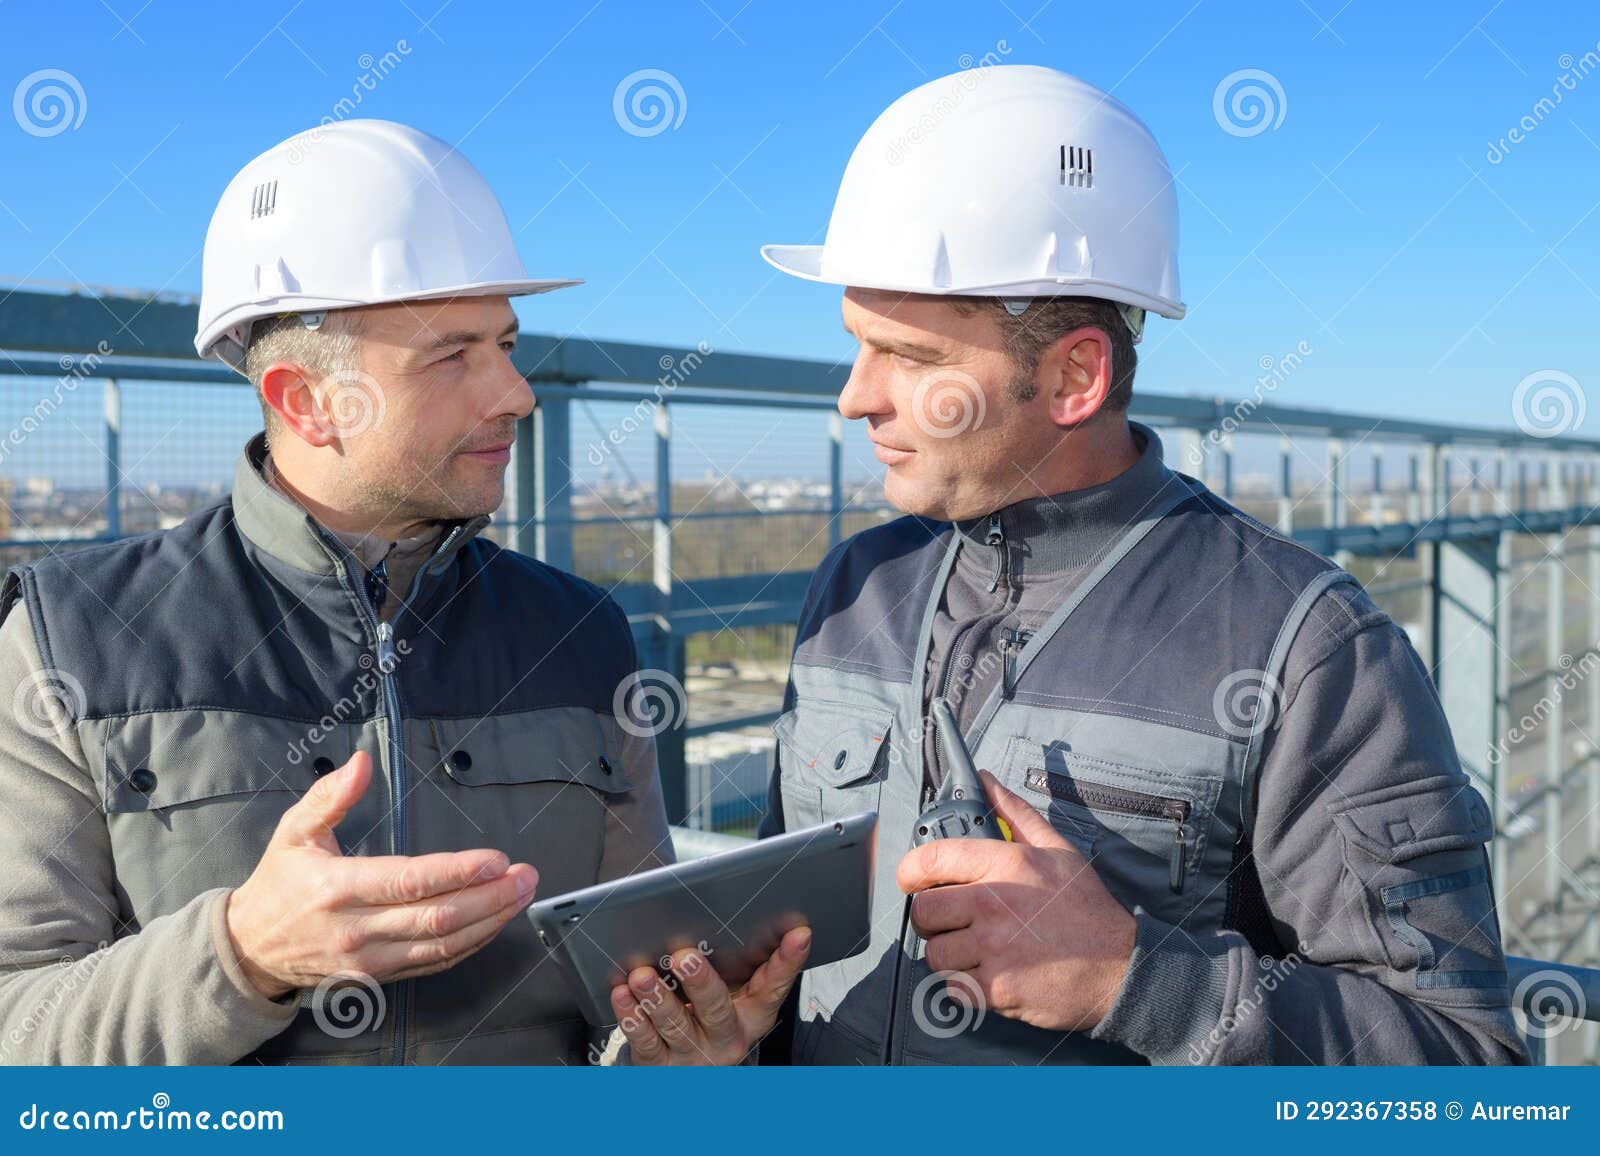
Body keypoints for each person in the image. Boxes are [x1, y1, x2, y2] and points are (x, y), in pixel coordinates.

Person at [611, 65, 1527, 1066]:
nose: (852, 398)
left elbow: (1465, 1065)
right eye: (854, 345)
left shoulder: (1304, 647)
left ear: (1073, 376)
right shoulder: (854, 589)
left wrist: (1130, 979)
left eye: (909, 358)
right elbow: (790, 961)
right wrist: (728, 1048)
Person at [0, 120, 673, 1064]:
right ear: (305, 399)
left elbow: (635, 992)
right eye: (453, 356)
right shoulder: (72, 641)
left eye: (508, 345)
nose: (517, 393)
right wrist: (242, 955)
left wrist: (686, 1046)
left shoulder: (583, 632)